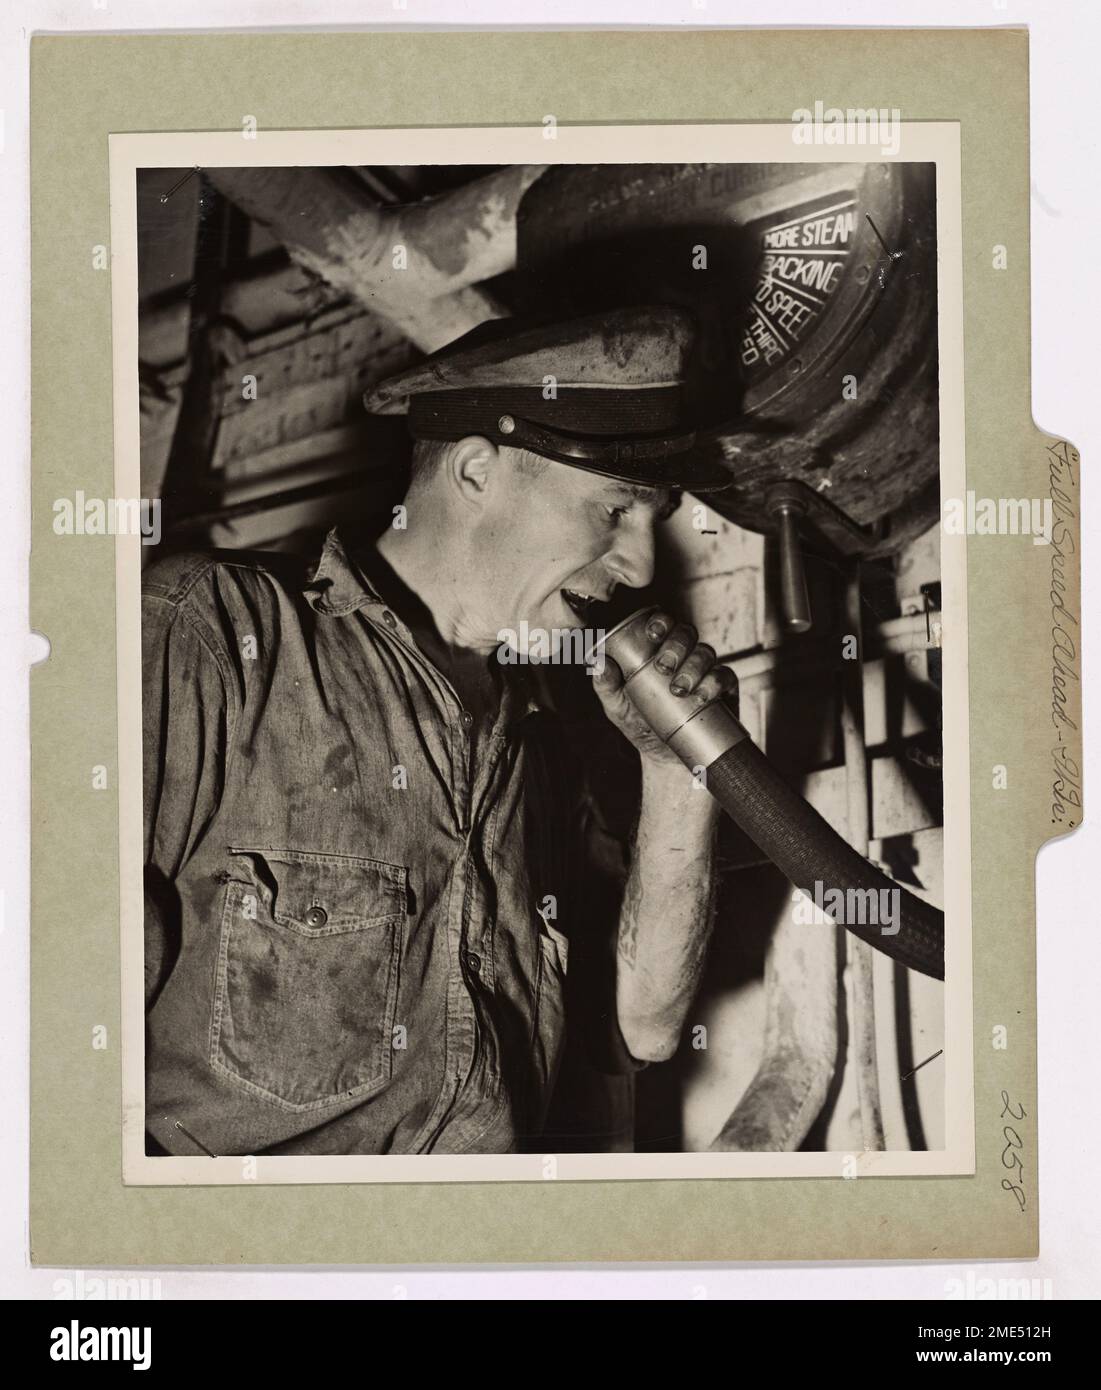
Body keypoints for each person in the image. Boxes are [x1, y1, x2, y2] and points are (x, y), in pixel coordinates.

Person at [142, 305, 736, 1156]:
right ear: (474, 473)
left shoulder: (550, 739)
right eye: (614, 510)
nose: (640, 565)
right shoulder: (218, 637)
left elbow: (643, 1028)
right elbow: (62, 1032)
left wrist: (678, 774)